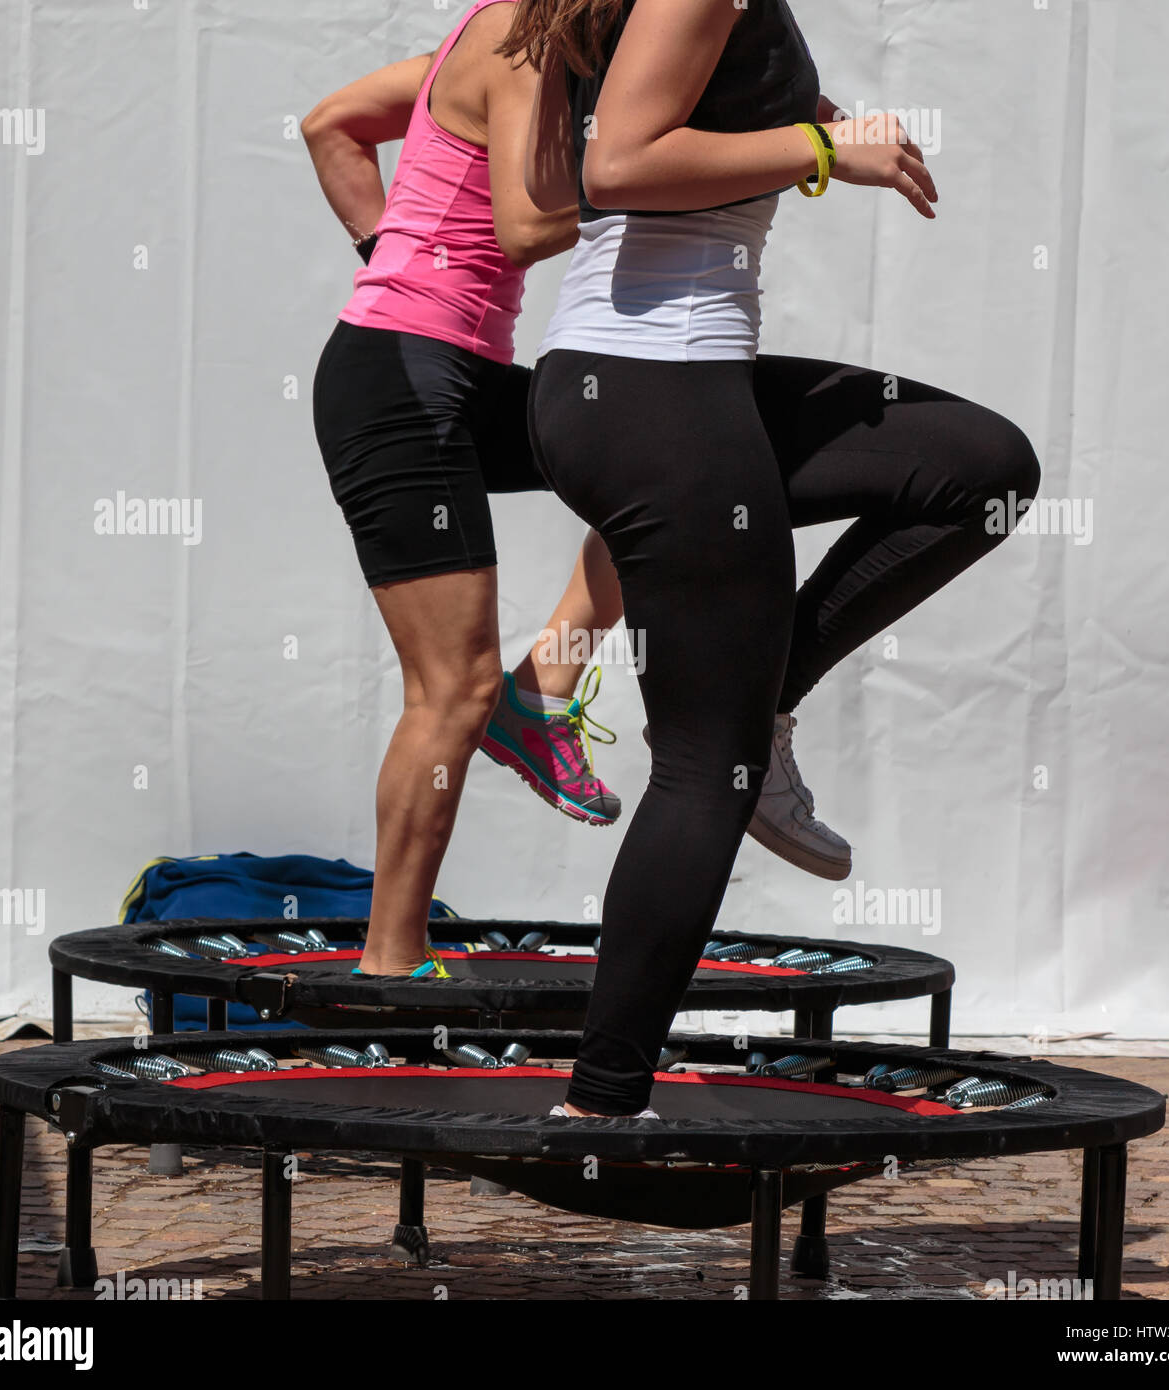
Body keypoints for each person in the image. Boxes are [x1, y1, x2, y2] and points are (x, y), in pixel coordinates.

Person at [506, 0, 1042, 1115]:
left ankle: (773, 698)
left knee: (982, 468)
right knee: (710, 769)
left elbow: (702, 113)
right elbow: (620, 162)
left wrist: (829, 131)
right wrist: (816, 150)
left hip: (681, 389)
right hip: (651, 391)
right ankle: (600, 1105)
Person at [305, 0, 627, 979]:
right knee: (451, 688)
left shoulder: (515, 46)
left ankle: (545, 683)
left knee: (667, 472)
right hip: (397, 378)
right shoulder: (515, 36)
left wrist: (388, 247)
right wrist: (660, 189)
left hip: (459, 374)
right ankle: (388, 964)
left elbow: (330, 122)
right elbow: (527, 226)